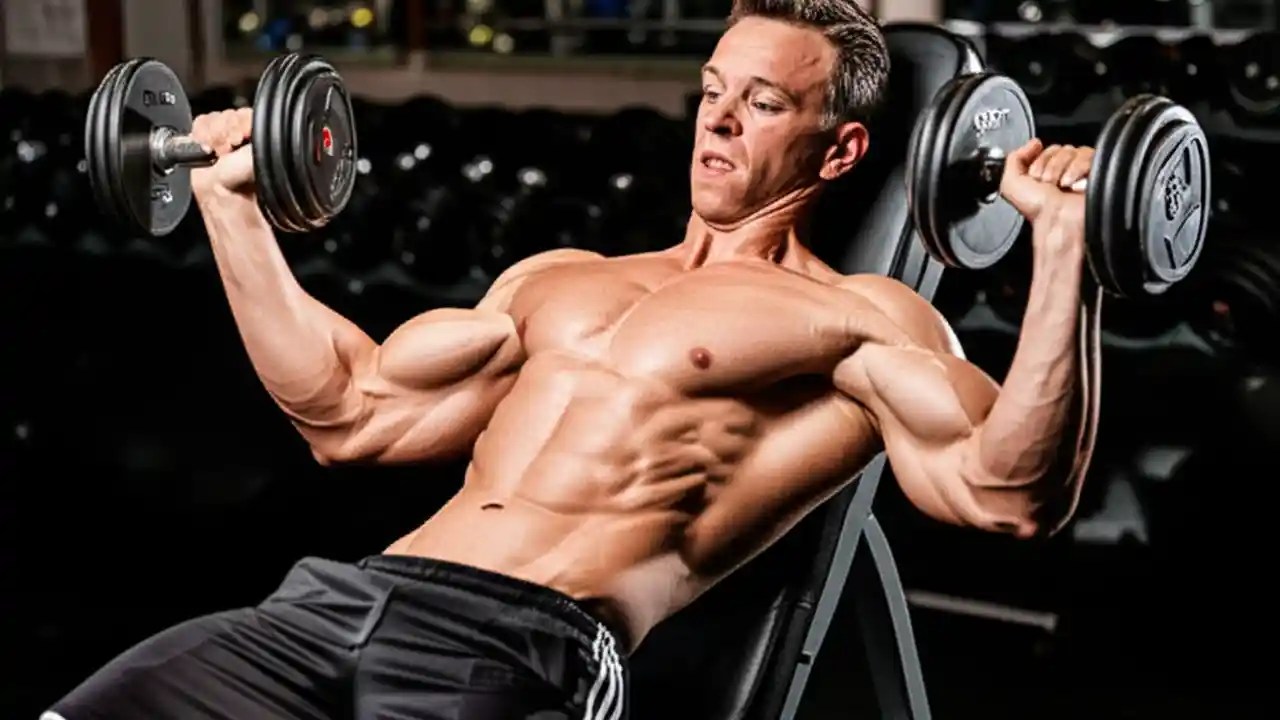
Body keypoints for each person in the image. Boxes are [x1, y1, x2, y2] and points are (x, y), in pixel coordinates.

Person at [44, 1, 1098, 718]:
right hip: (333, 603)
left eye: (764, 104)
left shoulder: (856, 318)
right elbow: (351, 413)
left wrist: (1063, 255)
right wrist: (234, 214)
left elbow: (1001, 491)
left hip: (521, 645)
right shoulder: (560, 277)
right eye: (711, 90)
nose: (718, 123)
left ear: (838, 151)